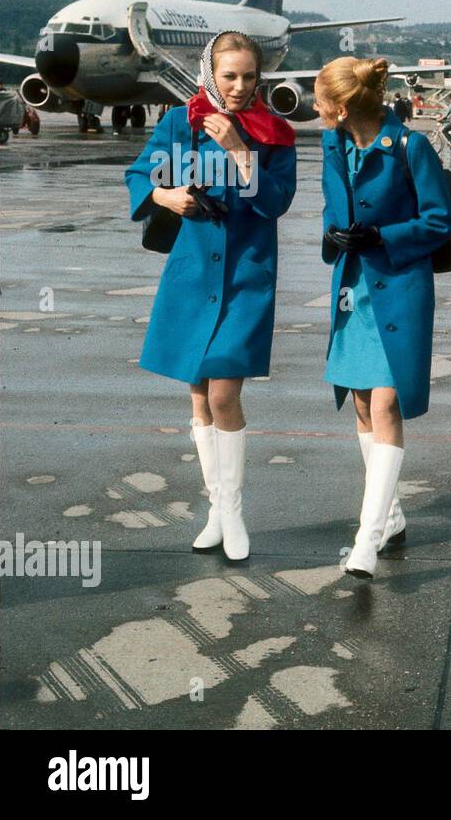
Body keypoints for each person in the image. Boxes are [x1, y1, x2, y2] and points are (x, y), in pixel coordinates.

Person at [123, 30, 297, 560]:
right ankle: (216, 511)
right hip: (193, 276)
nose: (241, 87)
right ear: (209, 74)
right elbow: (138, 174)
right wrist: (166, 195)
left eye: (249, 76)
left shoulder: (275, 133)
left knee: (224, 394)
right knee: (198, 394)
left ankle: (235, 512)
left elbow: (277, 202)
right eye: (229, 76)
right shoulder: (179, 123)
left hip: (246, 277)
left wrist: (240, 149)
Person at [315, 57, 451, 579]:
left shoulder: (410, 147)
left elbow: (439, 220)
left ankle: (366, 538)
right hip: (353, 285)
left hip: (399, 286)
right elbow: (331, 211)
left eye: (320, 99)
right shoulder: (334, 145)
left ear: (343, 106)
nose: (314, 106)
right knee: (360, 401)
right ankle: (391, 515)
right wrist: (334, 236)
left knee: (387, 403)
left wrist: (384, 237)